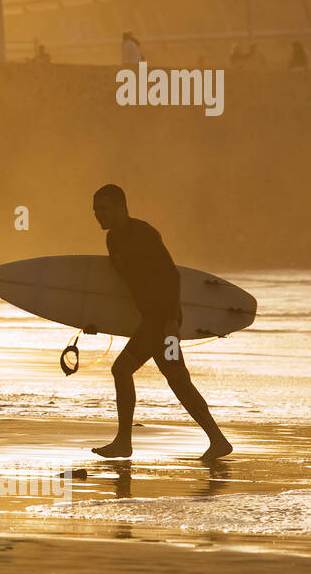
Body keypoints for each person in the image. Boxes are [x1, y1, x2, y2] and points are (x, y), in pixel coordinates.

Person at [90, 184, 232, 462]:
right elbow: (122, 290)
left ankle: (123, 442)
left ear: (121, 207)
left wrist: (170, 322)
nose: (99, 215)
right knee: (179, 380)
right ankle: (218, 440)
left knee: (122, 370)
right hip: (151, 319)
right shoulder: (114, 239)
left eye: (104, 209)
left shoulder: (142, 234)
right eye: (95, 210)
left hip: (161, 322)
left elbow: (170, 277)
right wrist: (93, 319)